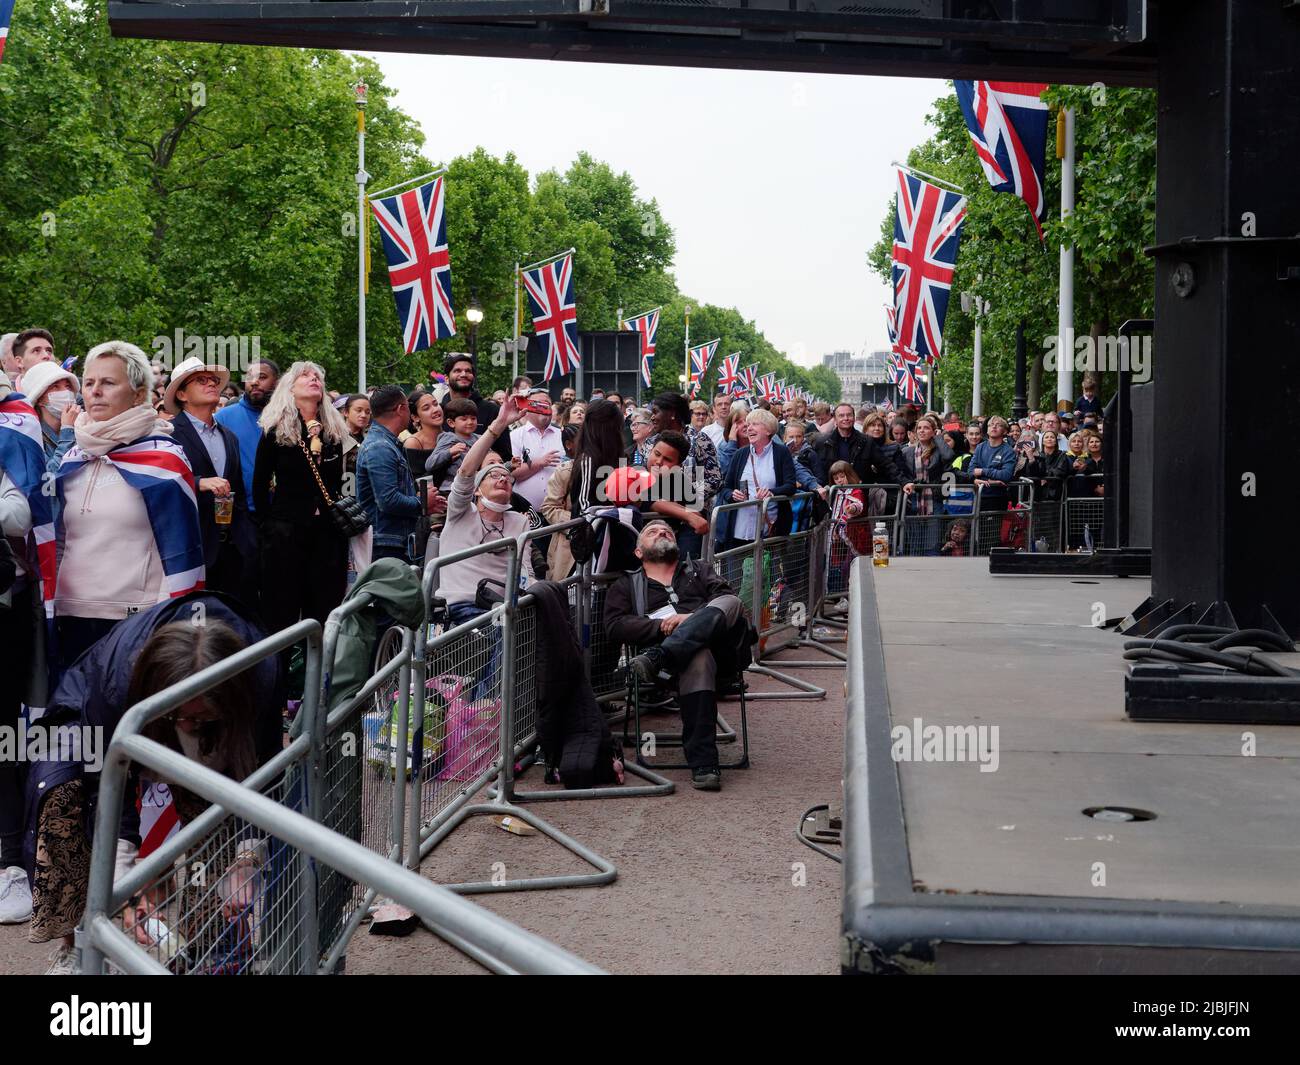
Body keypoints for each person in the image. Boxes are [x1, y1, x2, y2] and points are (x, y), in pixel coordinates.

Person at [25, 604, 278, 973]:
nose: (190, 725)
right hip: (95, 728)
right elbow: (108, 789)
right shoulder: (115, 682)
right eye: (183, 715)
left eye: (202, 716)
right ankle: (79, 949)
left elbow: (262, 766)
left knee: (218, 815)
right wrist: (124, 883)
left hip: (214, 730)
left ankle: (213, 946)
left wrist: (247, 859)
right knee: (63, 795)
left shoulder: (261, 671)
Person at [49, 342, 205, 672]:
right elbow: (57, 541)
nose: (95, 392)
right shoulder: (72, 456)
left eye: (108, 383)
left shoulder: (165, 459)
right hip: (68, 616)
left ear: (137, 395)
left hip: (134, 621)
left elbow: (182, 549)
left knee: (123, 719)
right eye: (89, 383)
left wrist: (167, 623)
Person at [604, 521, 750, 791]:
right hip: (668, 672)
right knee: (698, 656)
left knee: (732, 602)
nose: (662, 532)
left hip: (722, 658)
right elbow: (615, 626)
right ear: (638, 552)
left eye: (667, 531)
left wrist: (690, 619)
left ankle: (665, 654)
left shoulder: (700, 570)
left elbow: (727, 601)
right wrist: (660, 626)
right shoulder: (627, 584)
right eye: (652, 532)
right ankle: (704, 762)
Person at [253, 361, 350, 636]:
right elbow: (259, 484)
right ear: (290, 388)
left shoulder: (334, 432)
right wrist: (269, 526)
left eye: (317, 376)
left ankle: (319, 674)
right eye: (305, 376)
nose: (313, 379)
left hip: (327, 535)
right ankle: (279, 675)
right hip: (286, 533)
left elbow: (341, 482)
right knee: (280, 611)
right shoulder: (276, 431)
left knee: (323, 609)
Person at [165, 357, 257, 604]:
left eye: (214, 380)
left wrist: (246, 542)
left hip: (234, 550)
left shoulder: (229, 437)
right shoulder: (167, 435)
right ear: (182, 394)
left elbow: (235, 489)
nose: (211, 384)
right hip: (191, 548)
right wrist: (197, 482)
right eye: (201, 380)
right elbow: (161, 486)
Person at [439, 401, 535, 628]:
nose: (502, 478)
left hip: (503, 607)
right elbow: (465, 472)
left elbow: (526, 571)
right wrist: (499, 425)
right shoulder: (461, 511)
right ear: (477, 490)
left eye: (506, 477)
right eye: (493, 476)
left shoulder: (519, 521)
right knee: (499, 631)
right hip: (461, 605)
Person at [541, 399, 628, 580]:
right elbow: (585, 505)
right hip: (592, 542)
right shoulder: (588, 459)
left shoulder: (620, 456)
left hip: (613, 538)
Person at [356, 385, 431, 565]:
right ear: (400, 409)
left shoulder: (388, 443)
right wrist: (424, 503)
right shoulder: (380, 446)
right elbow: (388, 500)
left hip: (395, 541)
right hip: (386, 544)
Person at [644, 392, 722, 559]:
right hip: (654, 521)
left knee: (687, 568)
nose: (652, 417)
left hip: (691, 521)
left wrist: (685, 498)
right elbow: (645, 482)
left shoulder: (699, 439)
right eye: (657, 454)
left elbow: (714, 479)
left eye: (656, 411)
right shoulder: (651, 441)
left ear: (672, 413)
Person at [716, 409, 796, 550]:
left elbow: (790, 486)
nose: (749, 428)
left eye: (755, 424)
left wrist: (771, 493)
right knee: (735, 571)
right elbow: (725, 488)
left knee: (765, 571)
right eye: (748, 424)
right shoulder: (740, 454)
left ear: (768, 430)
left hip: (769, 531)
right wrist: (732, 494)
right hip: (739, 531)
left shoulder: (781, 452)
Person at [215, 358, 279, 516]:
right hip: (240, 513)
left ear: (277, 383)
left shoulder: (289, 417)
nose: (254, 382)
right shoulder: (223, 418)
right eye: (249, 377)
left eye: (262, 377)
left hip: (282, 513)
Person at [811, 402, 902, 489]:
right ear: (835, 419)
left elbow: (886, 464)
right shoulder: (822, 443)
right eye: (841, 415)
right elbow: (814, 470)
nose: (846, 418)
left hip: (860, 496)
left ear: (854, 418)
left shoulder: (866, 442)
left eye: (849, 415)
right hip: (831, 496)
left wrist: (904, 482)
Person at [438, 354, 510, 463]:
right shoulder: (439, 412)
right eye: (457, 371)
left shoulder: (492, 410)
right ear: (446, 378)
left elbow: (505, 455)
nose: (463, 374)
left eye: (468, 371)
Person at [900, 418, 954, 555]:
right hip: (914, 501)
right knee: (915, 543)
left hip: (934, 500)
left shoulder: (939, 451)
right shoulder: (907, 452)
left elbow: (948, 457)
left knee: (933, 543)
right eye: (919, 428)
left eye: (926, 428)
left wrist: (938, 438)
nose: (922, 431)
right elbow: (902, 474)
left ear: (933, 431)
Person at [19, 361, 79, 464]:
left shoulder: (82, 426)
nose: (66, 392)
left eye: (68, 386)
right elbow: (48, 476)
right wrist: (67, 429)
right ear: (39, 399)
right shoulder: (30, 438)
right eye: (55, 386)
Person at [427, 397, 481, 490]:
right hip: (451, 488)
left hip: (476, 487)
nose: (470, 422)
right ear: (451, 423)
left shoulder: (480, 439)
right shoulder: (449, 438)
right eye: (464, 419)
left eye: (473, 418)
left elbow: (491, 458)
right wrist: (450, 451)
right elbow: (430, 464)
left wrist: (509, 465)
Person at [967, 414, 1016, 512]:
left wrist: (982, 471)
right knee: (976, 526)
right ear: (987, 429)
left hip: (997, 498)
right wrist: (978, 480)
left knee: (993, 527)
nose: (994, 426)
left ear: (1005, 431)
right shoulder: (980, 447)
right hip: (978, 495)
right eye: (991, 425)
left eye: (998, 425)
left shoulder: (1008, 450)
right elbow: (971, 471)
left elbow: (1006, 475)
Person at [403, 388, 445, 480]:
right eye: (426, 408)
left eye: (435, 404)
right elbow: (413, 481)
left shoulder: (450, 437)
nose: (435, 410)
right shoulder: (413, 443)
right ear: (415, 417)